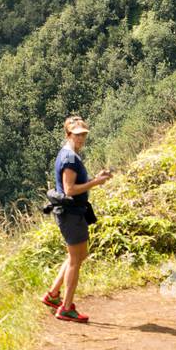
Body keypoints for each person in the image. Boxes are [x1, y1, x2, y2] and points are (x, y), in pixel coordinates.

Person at [41, 115, 113, 323]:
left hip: (72, 213)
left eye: (84, 135)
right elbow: (70, 189)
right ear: (68, 134)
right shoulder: (70, 158)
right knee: (75, 259)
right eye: (77, 135)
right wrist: (96, 183)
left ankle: (53, 295)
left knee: (79, 255)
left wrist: (93, 179)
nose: (81, 139)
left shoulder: (68, 153)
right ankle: (66, 308)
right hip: (71, 214)